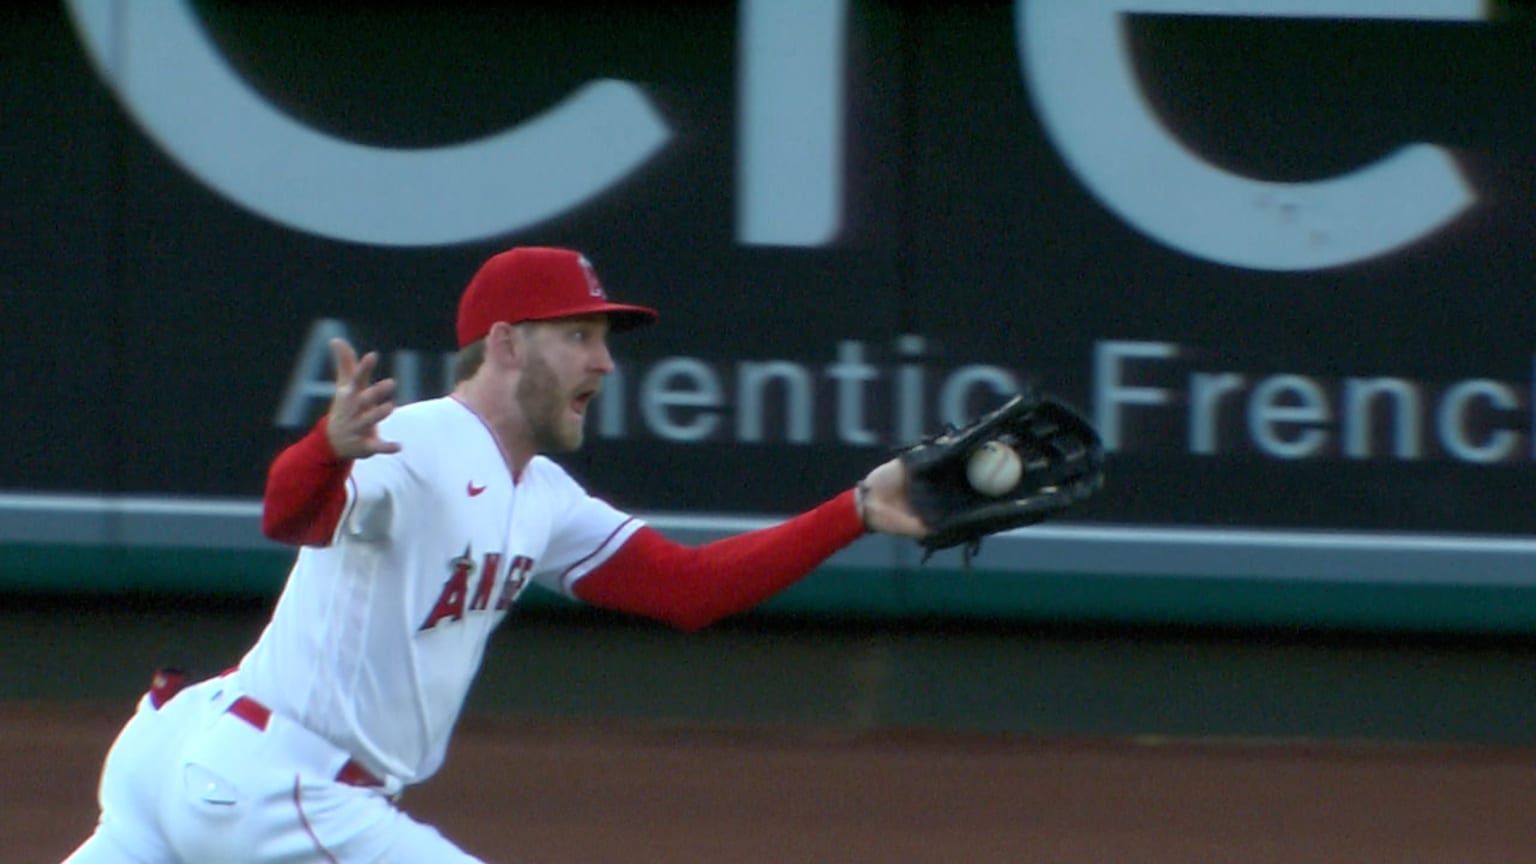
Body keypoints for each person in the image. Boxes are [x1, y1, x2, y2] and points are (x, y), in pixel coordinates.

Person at [64, 246, 931, 863]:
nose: (605, 362)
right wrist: (325, 448)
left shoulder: (543, 497)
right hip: (279, 785)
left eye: (605, 339)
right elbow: (291, 517)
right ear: (509, 343)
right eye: (580, 336)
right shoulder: (421, 440)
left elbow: (689, 589)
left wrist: (857, 510)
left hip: (201, 750)